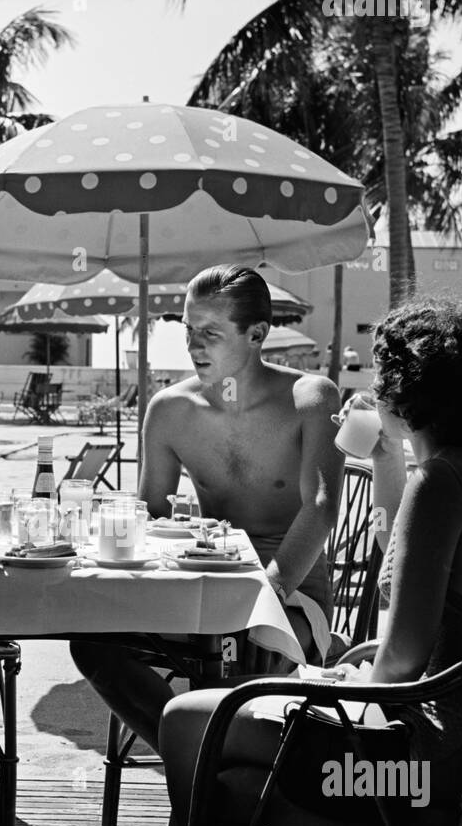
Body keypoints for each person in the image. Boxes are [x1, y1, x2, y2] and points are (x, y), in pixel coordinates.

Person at [43, 295, 462, 826]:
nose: (369, 386)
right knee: (217, 749)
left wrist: (334, 684)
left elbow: (399, 663)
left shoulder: (441, 485)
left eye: (380, 374)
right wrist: (390, 455)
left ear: (405, 388)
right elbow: (441, 628)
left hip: (420, 779)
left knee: (194, 723)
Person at [70, 263, 344, 754]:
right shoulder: (171, 410)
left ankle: (205, 778)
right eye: (189, 331)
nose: (194, 348)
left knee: (244, 648)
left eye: (211, 334)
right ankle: (199, 767)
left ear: (257, 334)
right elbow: (149, 517)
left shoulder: (309, 398)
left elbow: (322, 508)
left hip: (293, 594)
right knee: (93, 640)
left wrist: (268, 592)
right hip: (203, 587)